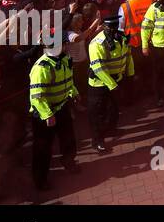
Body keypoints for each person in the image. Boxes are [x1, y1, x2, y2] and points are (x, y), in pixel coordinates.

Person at [28, 40, 79, 191]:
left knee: (68, 139)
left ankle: (69, 162)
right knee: (43, 148)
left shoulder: (64, 59)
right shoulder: (41, 67)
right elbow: (36, 96)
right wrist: (48, 115)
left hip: (61, 107)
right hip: (44, 114)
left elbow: (68, 80)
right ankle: (40, 180)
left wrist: (74, 92)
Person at [85, 15, 132, 153]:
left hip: (116, 80)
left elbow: (128, 55)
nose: (113, 30)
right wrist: (112, 85)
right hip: (99, 84)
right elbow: (98, 68)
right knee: (98, 113)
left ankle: (111, 129)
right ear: (105, 27)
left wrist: (130, 72)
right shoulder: (97, 43)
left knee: (114, 108)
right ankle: (97, 141)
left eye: (115, 26)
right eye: (110, 27)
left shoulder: (121, 38)